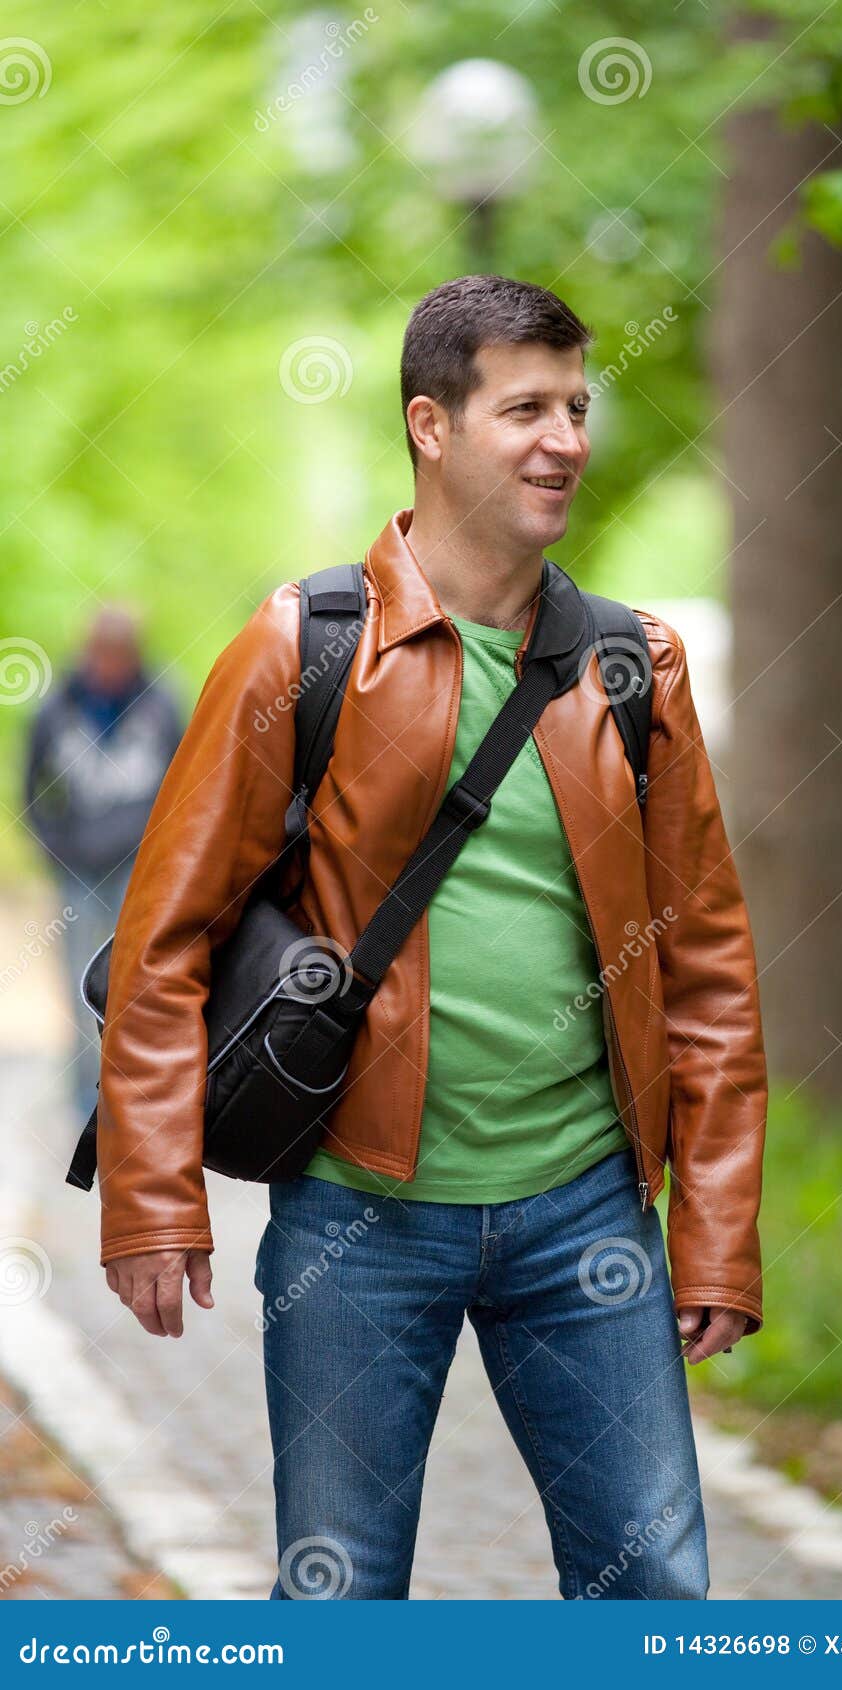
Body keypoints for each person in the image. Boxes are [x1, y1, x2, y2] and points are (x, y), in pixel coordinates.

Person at [94, 276, 767, 1600]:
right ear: (431, 424)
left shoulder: (634, 666)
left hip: (586, 1211)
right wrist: (153, 1194)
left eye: (575, 407)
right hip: (357, 1213)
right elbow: (166, 936)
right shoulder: (306, 642)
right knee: (340, 1601)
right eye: (525, 409)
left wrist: (716, 1228)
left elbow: (705, 971)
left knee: (655, 1597)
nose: (564, 439)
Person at [23, 603, 183, 1122]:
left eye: (119, 656)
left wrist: (164, 850)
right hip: (76, 870)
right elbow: (30, 789)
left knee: (136, 982)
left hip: (138, 866)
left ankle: (132, 1096)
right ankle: (84, 1105)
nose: (108, 666)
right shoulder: (57, 706)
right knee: (78, 982)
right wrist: (54, 847)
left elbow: (186, 782)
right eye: (101, 654)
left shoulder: (161, 704)